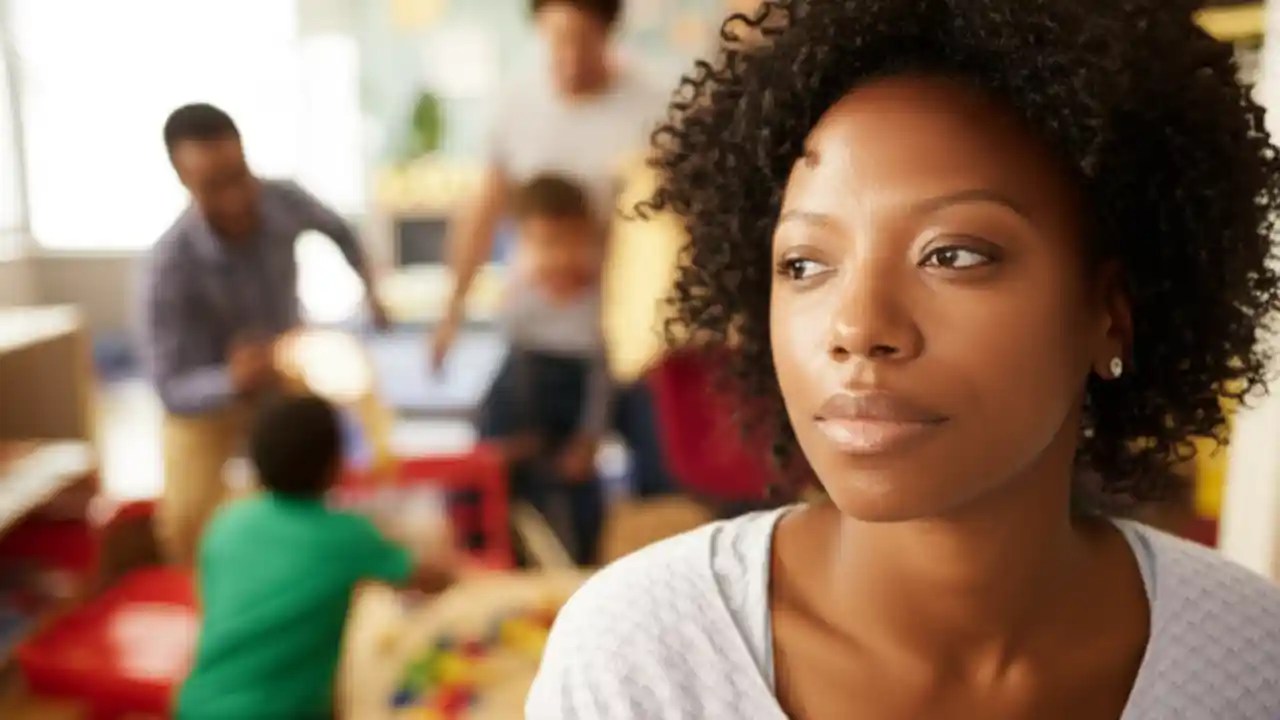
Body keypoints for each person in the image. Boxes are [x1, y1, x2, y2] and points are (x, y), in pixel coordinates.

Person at [527, 1, 1280, 717]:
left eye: (954, 254)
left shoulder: (1250, 662)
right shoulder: (645, 660)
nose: (858, 327)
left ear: (1109, 315)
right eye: (804, 265)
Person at [429, 0, 674, 497]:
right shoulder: (516, 103)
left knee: (660, 472)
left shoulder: (653, 106)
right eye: (555, 40)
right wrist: (451, 311)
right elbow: (484, 210)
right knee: (501, 466)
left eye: (582, 41)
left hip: (625, 335)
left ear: (609, 33)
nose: (568, 56)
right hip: (540, 334)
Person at [139, 103, 388, 565]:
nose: (235, 197)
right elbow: (169, 387)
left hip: (281, 373)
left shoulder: (282, 200)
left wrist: (371, 288)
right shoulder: (169, 266)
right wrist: (231, 379)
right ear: (183, 180)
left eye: (239, 174)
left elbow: (339, 228)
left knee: (309, 486)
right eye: (215, 185)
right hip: (208, 399)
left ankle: (310, 568)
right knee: (187, 518)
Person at [178, 394, 456, 719]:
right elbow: (433, 580)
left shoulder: (226, 523)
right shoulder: (344, 533)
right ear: (334, 464)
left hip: (198, 705)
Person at [477, 174, 609, 565]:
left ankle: (583, 566)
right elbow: (510, 375)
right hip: (523, 417)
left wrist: (587, 439)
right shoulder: (522, 303)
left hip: (571, 418)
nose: (560, 258)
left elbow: (602, 382)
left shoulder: (598, 305)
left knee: (577, 506)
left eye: (572, 242)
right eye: (546, 244)